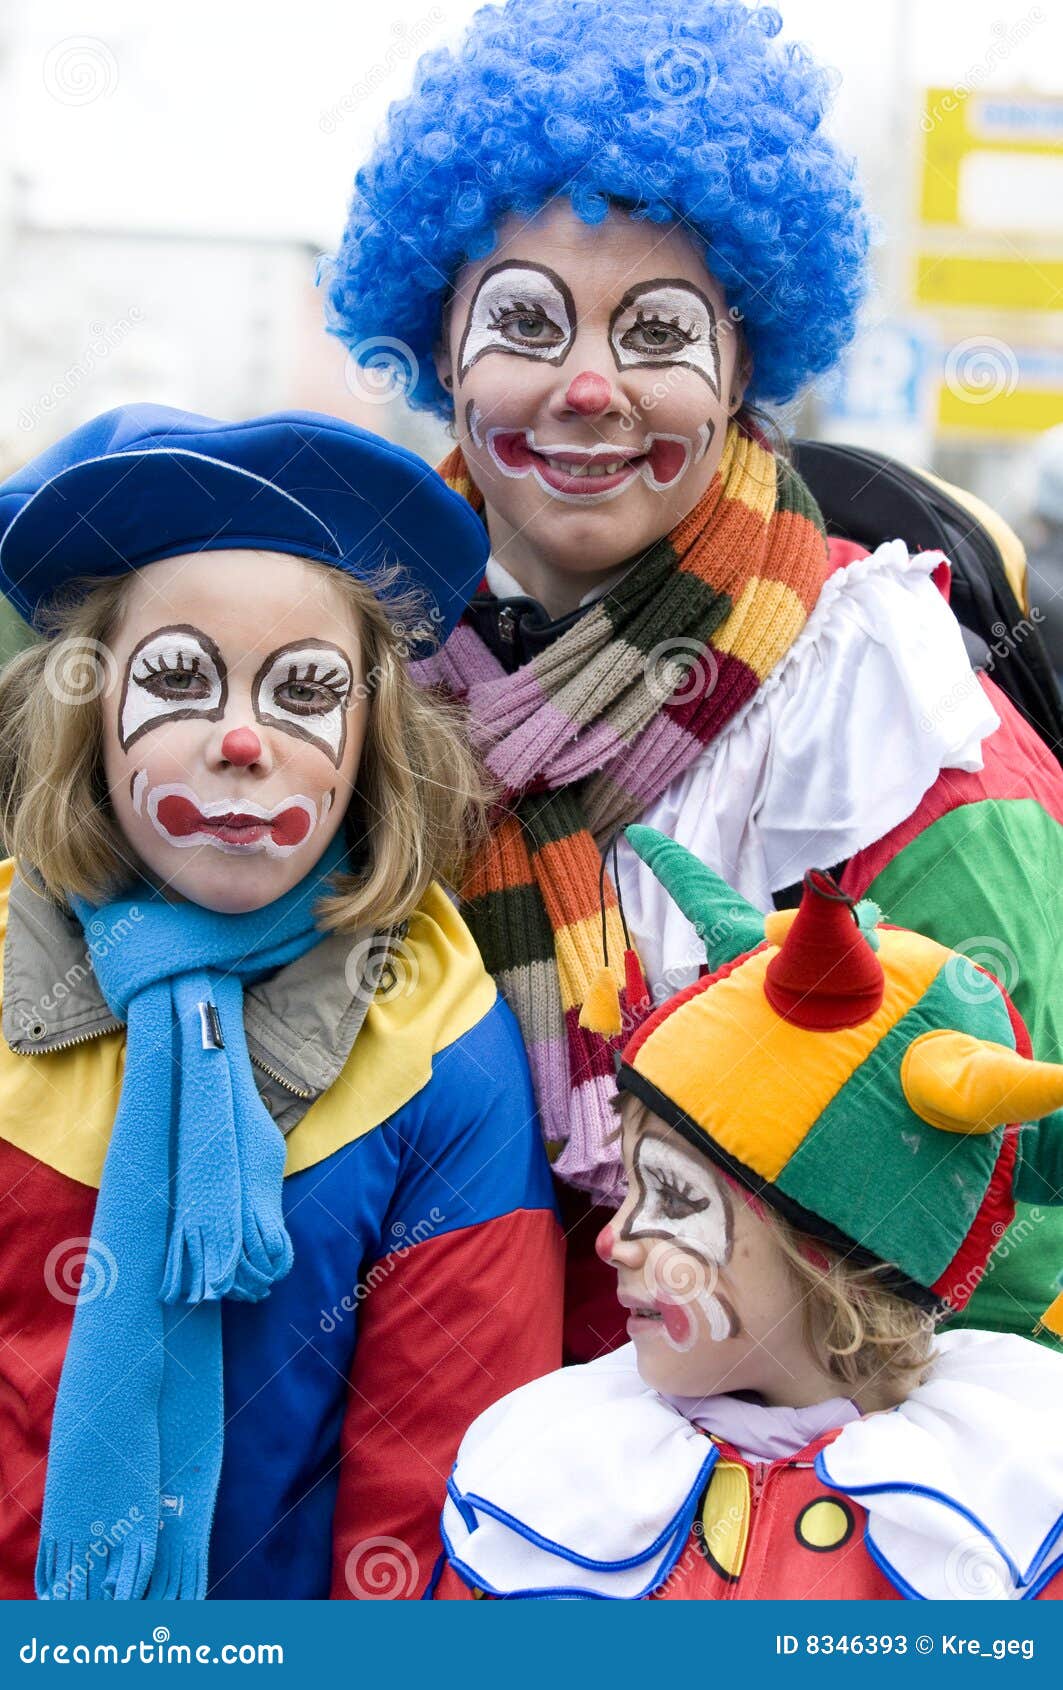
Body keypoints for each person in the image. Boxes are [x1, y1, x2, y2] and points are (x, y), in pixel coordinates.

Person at [323, 0, 1063, 1344]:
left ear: (738, 366)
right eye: (528, 323)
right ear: (441, 353)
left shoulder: (882, 708)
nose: (589, 387)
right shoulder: (346, 675)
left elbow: (1009, 1230)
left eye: (655, 332)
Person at [0, 404, 563, 1601]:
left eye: (304, 688)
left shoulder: (437, 1045)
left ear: (370, 738)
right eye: (180, 682)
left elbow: (438, 1510)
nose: (243, 738)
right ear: (89, 713)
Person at [431, 827, 1063, 1600]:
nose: (611, 1242)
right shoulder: (557, 1468)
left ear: (834, 1256)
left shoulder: (1012, 1494)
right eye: (627, 1189)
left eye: (672, 1197)